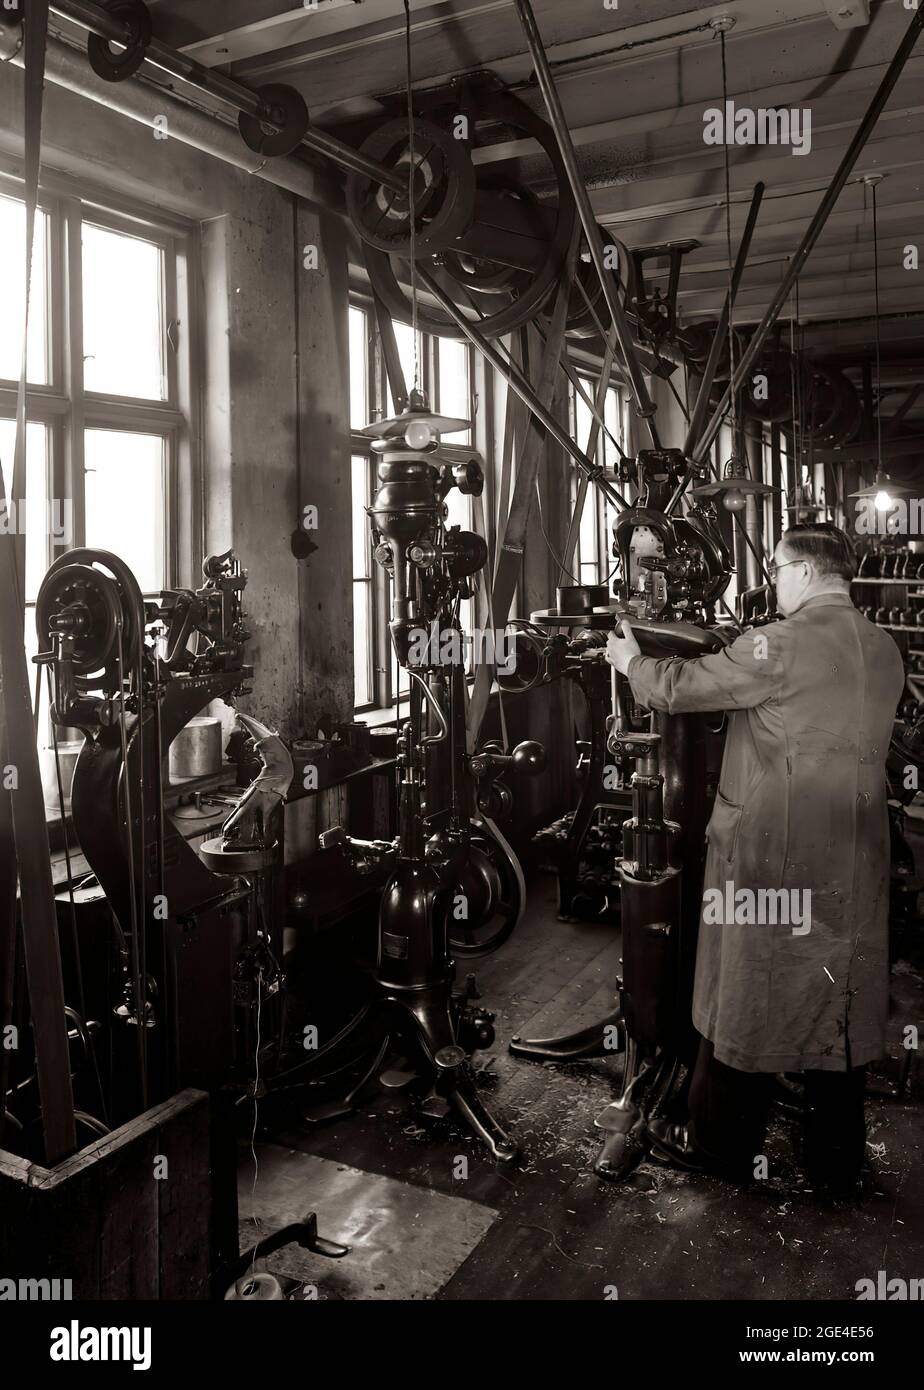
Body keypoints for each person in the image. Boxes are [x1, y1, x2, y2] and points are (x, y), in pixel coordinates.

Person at [605, 522, 905, 1196]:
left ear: (801, 570)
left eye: (775, 569)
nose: (772, 581)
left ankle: (718, 1143)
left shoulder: (781, 645)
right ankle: (835, 1162)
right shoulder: (884, 648)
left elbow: (683, 689)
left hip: (775, 857)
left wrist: (630, 662)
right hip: (855, 857)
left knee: (748, 994)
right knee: (838, 991)